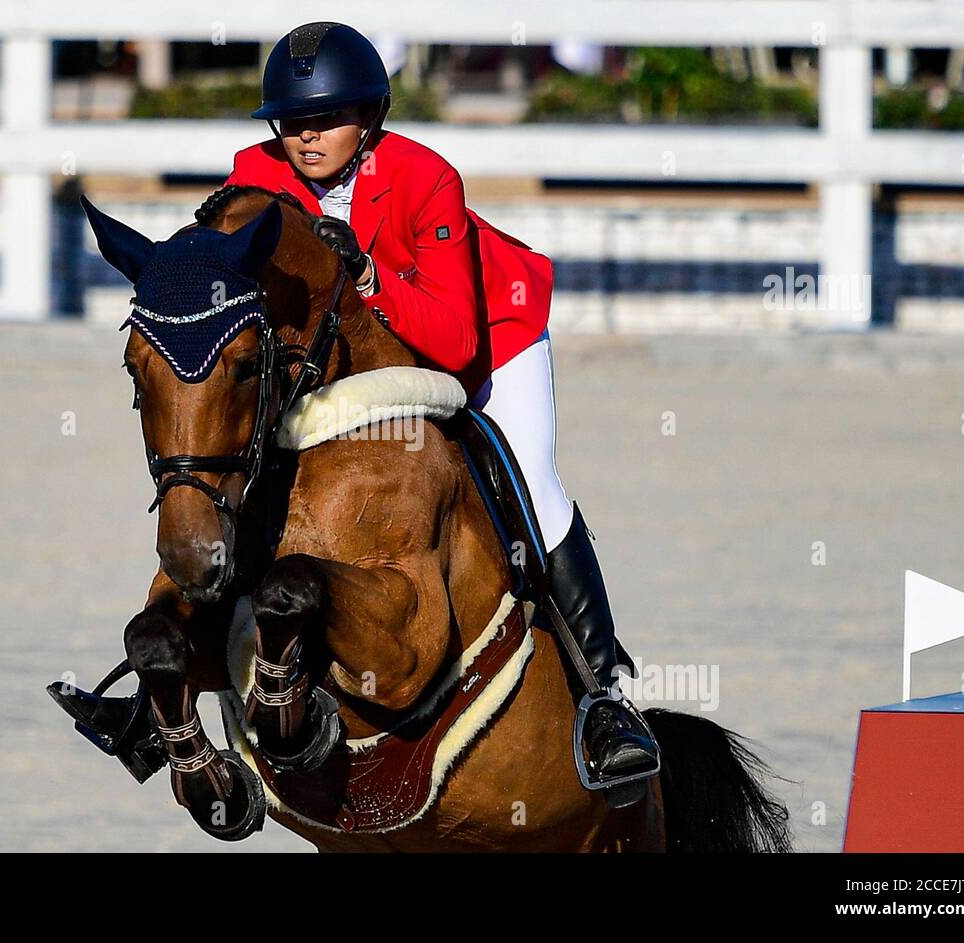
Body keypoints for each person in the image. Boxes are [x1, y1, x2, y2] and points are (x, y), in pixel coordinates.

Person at [203, 21, 659, 788]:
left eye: (325, 118)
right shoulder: (257, 172)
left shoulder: (426, 177)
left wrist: (372, 278)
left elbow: (452, 339)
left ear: (371, 117)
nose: (305, 137)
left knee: (533, 486)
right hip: (360, 362)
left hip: (488, 338)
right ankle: (177, 684)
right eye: (292, 121)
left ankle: (605, 700)